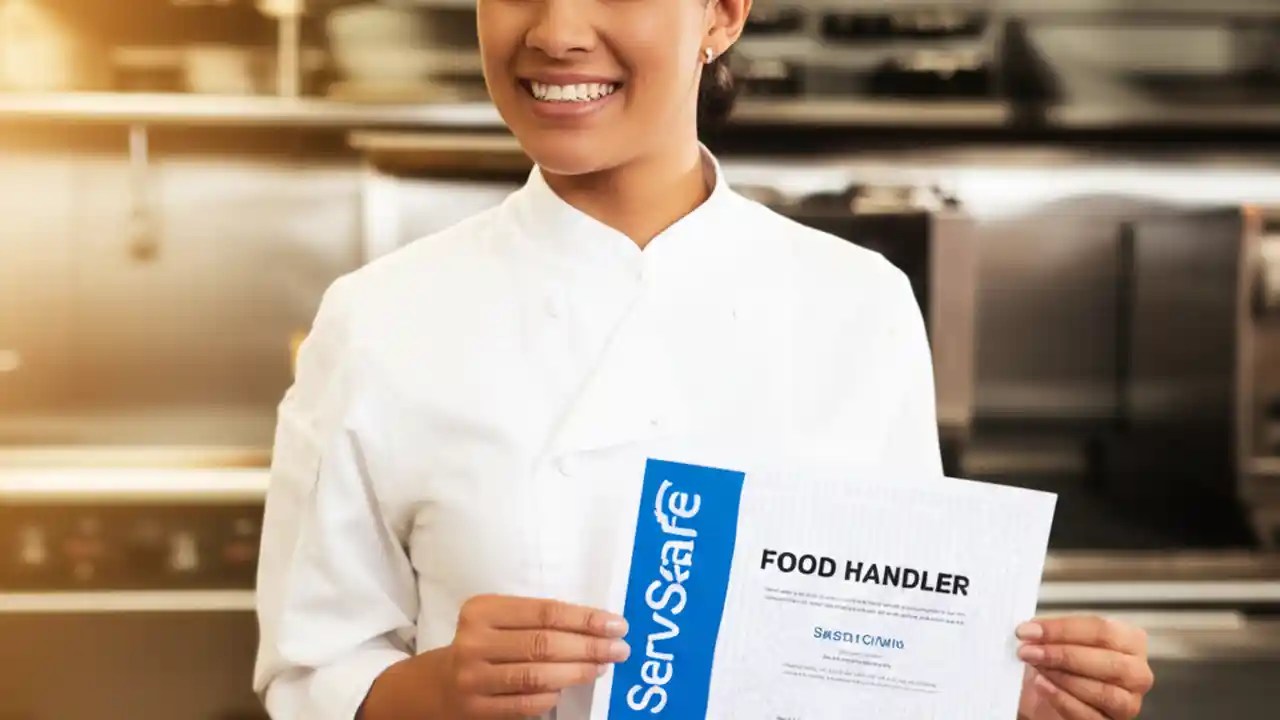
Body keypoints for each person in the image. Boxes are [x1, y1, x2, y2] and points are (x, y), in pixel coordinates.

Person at [253, 0, 1155, 718]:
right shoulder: (379, 319)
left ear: (721, 13)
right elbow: (310, 672)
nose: (556, 31)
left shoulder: (860, 304)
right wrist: (432, 694)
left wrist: (993, 692)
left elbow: (881, 661)